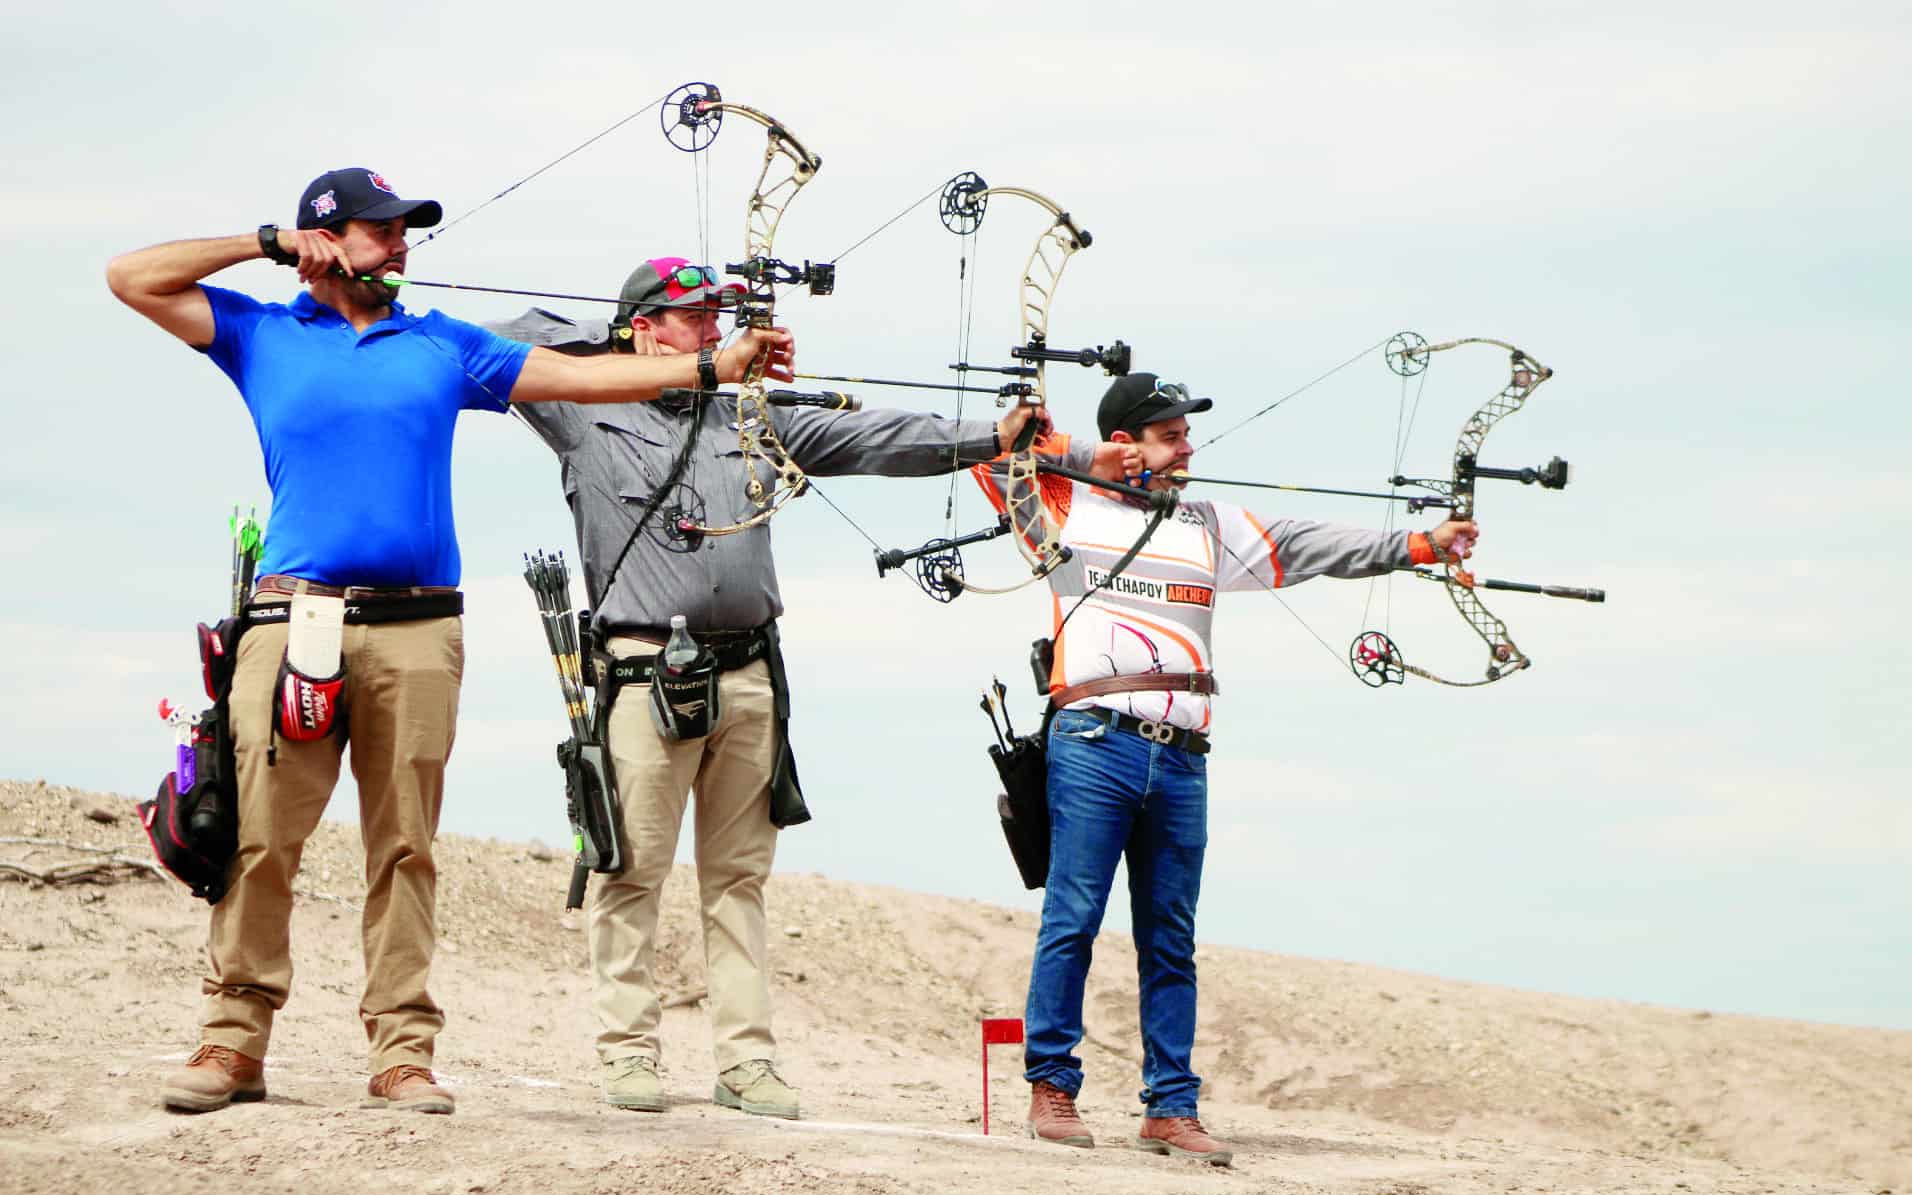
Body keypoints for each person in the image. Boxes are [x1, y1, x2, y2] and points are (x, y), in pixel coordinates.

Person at [106, 169, 795, 1117]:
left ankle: (402, 1052)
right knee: (264, 842)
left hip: (420, 628)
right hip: (291, 621)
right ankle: (232, 1044)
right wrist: (263, 243)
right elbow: (130, 277)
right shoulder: (259, 332)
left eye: (404, 234)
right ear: (325, 237)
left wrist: (710, 369)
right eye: (379, 231)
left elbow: (585, 376)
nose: (399, 247)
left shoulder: (440, 344)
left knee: (405, 848)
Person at [487, 259, 1139, 1120]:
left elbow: (876, 436)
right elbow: (494, 341)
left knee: (739, 879)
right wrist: (653, 362)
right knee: (632, 869)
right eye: (692, 319)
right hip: (645, 671)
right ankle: (629, 1050)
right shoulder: (582, 407)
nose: (712, 331)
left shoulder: (753, 418)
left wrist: (994, 434)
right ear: (643, 329)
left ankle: (745, 1064)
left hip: (748, 671)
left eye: (717, 321)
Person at [972, 371, 1478, 1166]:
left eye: (1184, 434)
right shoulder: (1065, 505)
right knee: (1073, 918)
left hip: (1181, 758)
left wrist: (1417, 544)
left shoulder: (1208, 525)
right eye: (1169, 435)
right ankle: (1052, 1087)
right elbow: (999, 454)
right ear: (1126, 441)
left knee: (1170, 938)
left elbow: (1311, 544)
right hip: (1094, 742)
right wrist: (1086, 454)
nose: (1187, 449)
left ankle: (1170, 1107)